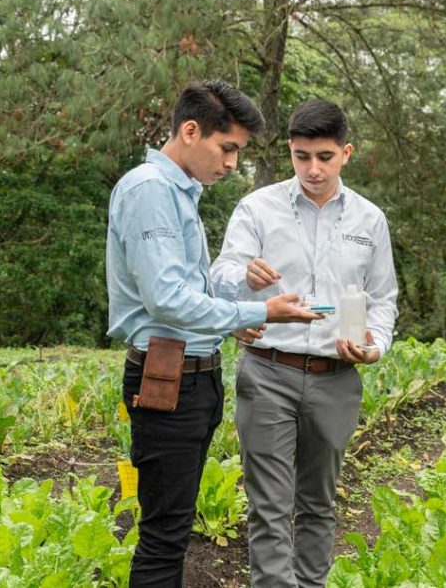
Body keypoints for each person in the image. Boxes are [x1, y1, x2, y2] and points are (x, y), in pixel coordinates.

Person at [106, 80, 321, 587]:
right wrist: (253, 312)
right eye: (227, 148)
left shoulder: (181, 195)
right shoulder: (150, 191)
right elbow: (165, 300)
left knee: (174, 530)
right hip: (167, 378)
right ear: (189, 130)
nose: (230, 164)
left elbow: (189, 291)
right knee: (163, 537)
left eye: (238, 153)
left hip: (193, 376)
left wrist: (239, 310)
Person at [210, 99, 398, 586]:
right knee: (269, 505)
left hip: (336, 376)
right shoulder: (258, 207)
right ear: (290, 152)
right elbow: (221, 273)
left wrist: (375, 345)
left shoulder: (369, 220)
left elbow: (383, 299)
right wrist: (243, 277)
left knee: (319, 503)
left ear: (346, 153)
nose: (312, 169)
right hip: (268, 370)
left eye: (324, 157)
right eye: (301, 156)